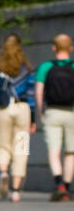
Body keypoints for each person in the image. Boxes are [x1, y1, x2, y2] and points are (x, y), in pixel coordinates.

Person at [0, 33, 37, 202]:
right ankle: (15, 190)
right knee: (21, 148)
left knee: (3, 145)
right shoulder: (27, 68)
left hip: (2, 108)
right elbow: (31, 95)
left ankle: (3, 171)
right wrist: (33, 118)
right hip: (22, 108)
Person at [35, 32, 74, 201]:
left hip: (52, 112)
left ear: (54, 48)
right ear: (71, 48)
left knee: (54, 151)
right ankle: (67, 185)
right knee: (71, 152)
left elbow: (38, 91)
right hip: (72, 112)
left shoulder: (45, 67)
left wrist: (40, 111)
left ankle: (58, 183)